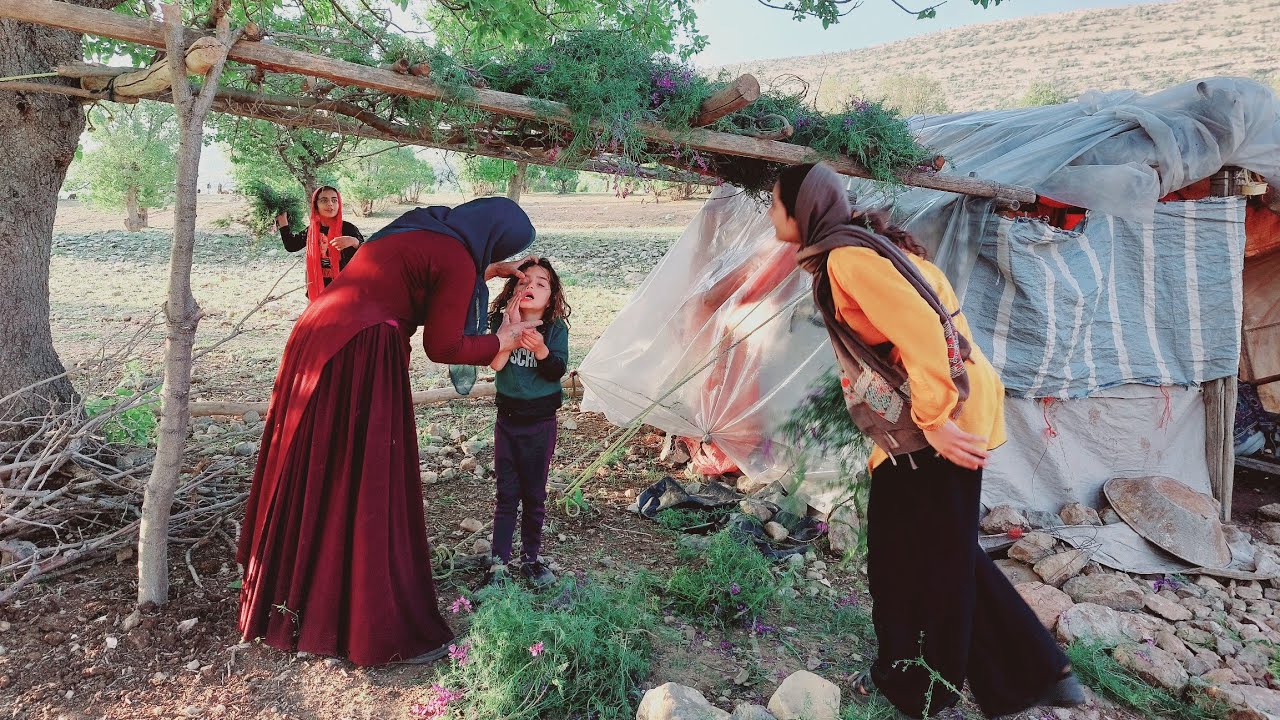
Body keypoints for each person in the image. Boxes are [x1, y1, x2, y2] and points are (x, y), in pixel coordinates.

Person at [769, 162, 1085, 719]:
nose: (771, 214)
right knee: (940, 546)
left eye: (776, 203)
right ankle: (1038, 669)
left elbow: (920, 327)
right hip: (935, 410)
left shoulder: (847, 258)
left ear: (805, 210)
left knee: (910, 557)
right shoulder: (861, 248)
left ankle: (923, 688)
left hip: (939, 413)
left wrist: (936, 419)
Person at [237, 197, 541, 667]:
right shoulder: (457, 259)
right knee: (361, 479)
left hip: (318, 332)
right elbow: (443, 346)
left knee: (320, 465)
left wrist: (487, 271)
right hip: (362, 350)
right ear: (492, 237)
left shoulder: (425, 226)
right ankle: (358, 617)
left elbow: (419, 275)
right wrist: (501, 340)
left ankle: (294, 597)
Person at [482, 259, 571, 588]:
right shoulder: (499, 322)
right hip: (507, 422)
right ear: (512, 290)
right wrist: (509, 329)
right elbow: (495, 363)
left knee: (534, 495)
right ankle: (498, 563)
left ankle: (531, 559)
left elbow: (556, 370)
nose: (530, 287)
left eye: (541, 283)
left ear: (551, 297)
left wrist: (543, 351)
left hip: (540, 425)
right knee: (506, 494)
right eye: (523, 282)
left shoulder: (554, 329)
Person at [276, 186, 363, 300]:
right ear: (315, 205)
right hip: (318, 287)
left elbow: (366, 254)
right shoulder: (312, 231)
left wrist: (354, 242)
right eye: (324, 200)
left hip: (346, 288)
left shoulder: (348, 228)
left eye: (334, 200)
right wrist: (283, 223)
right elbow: (292, 245)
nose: (330, 204)